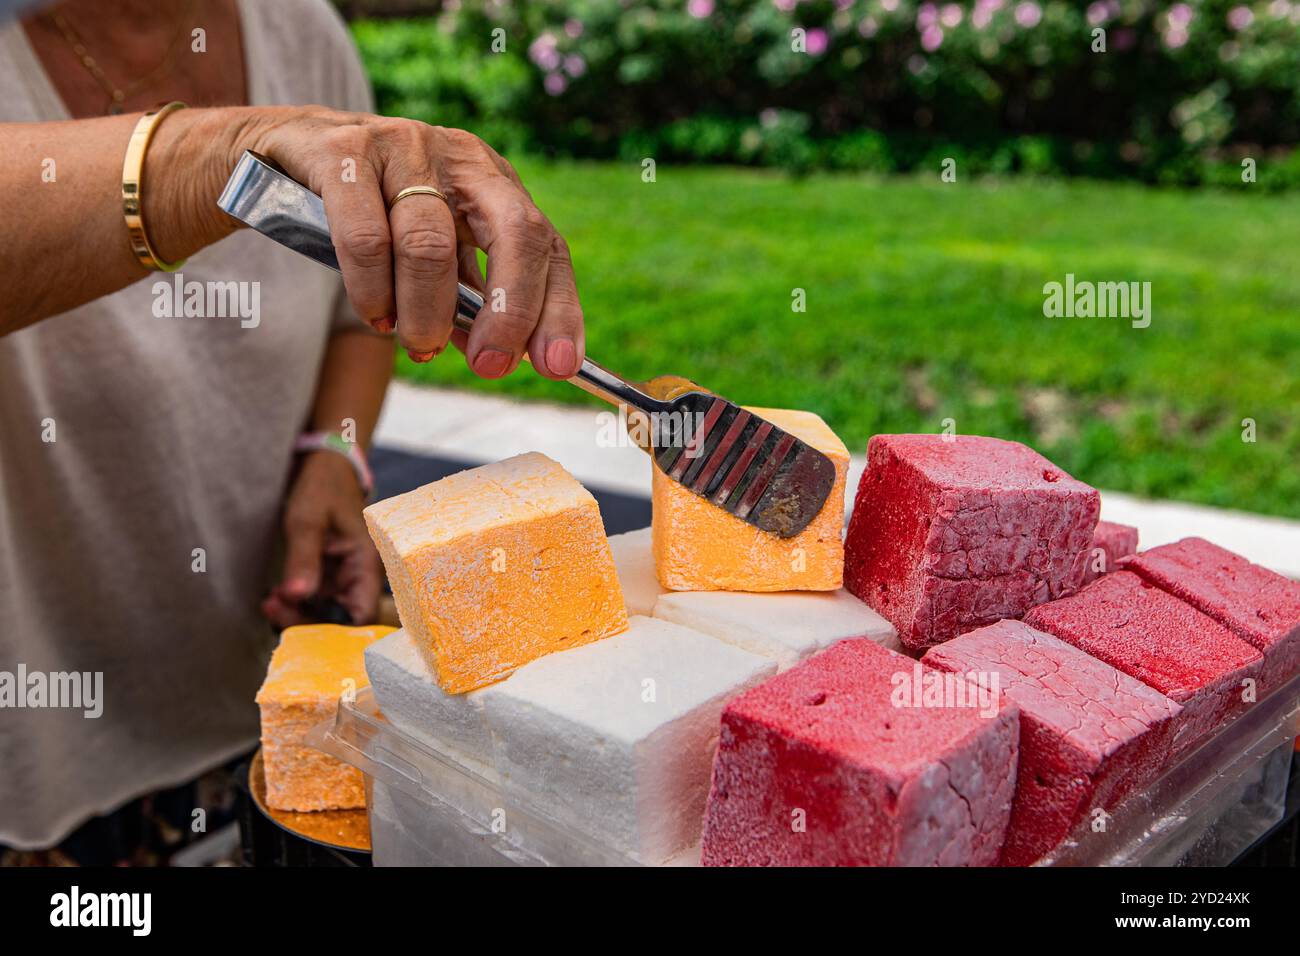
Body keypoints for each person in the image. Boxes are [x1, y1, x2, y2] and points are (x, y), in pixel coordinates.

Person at [0, 0, 586, 853]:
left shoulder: (298, 30)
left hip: (270, 689)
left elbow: (357, 317)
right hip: (45, 749)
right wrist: (221, 153)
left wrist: (335, 456)